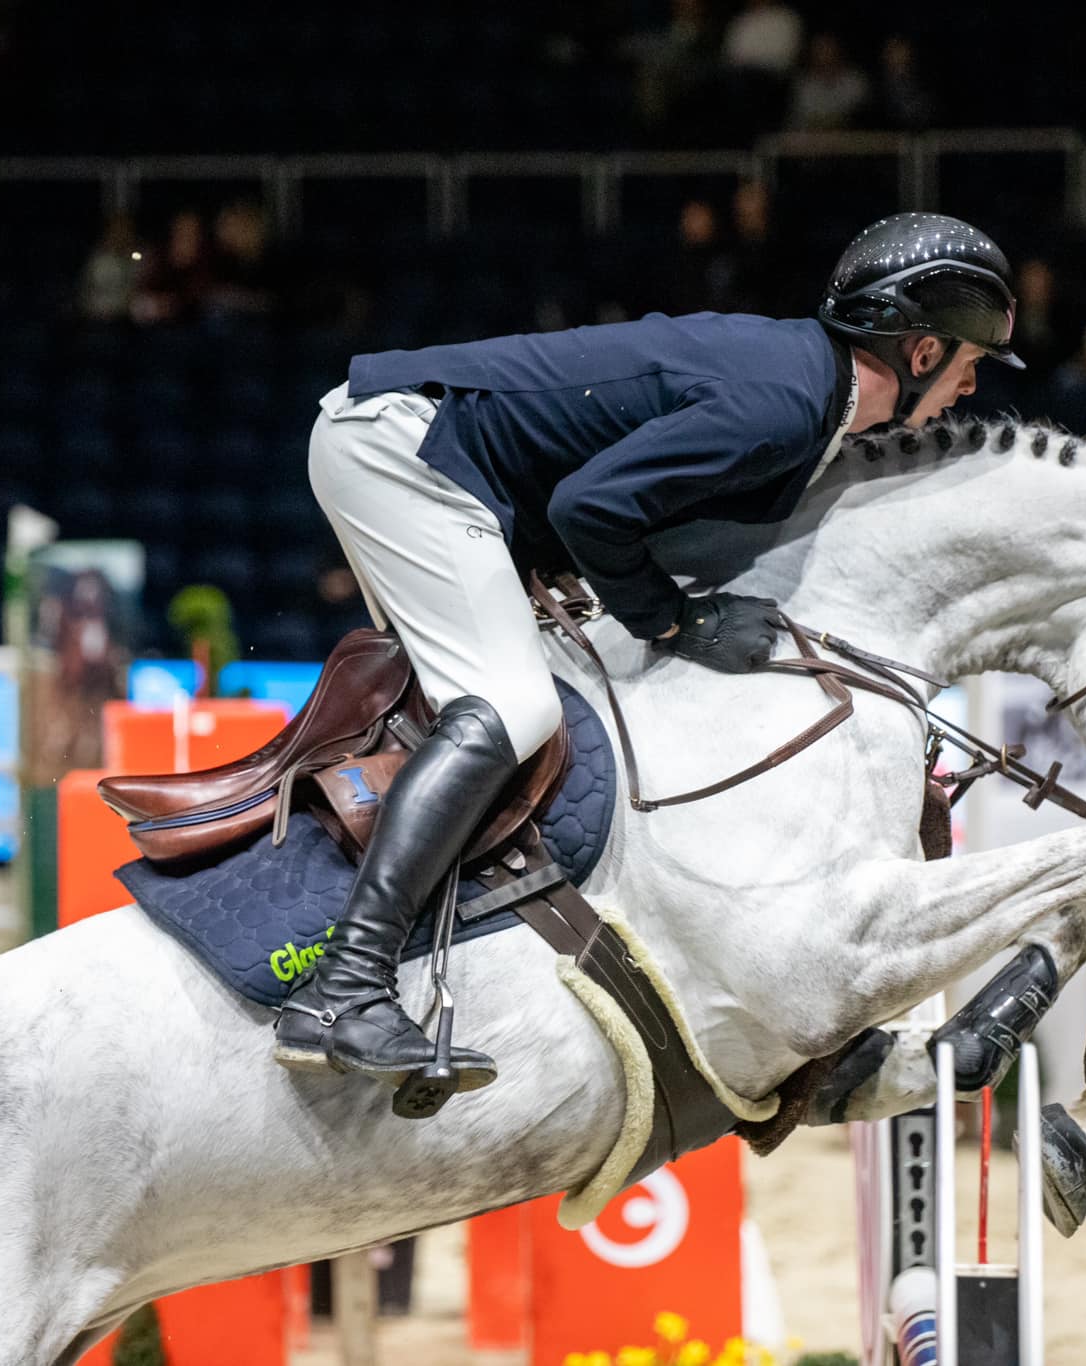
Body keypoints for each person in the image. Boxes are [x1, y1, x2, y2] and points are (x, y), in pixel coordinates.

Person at [279, 212, 1025, 1104]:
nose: (970, 391)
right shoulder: (786, 404)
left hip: (427, 451)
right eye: (971, 367)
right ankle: (344, 988)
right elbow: (593, 511)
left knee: (511, 700)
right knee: (516, 710)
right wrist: (675, 625)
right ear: (921, 351)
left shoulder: (801, 388)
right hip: (409, 451)